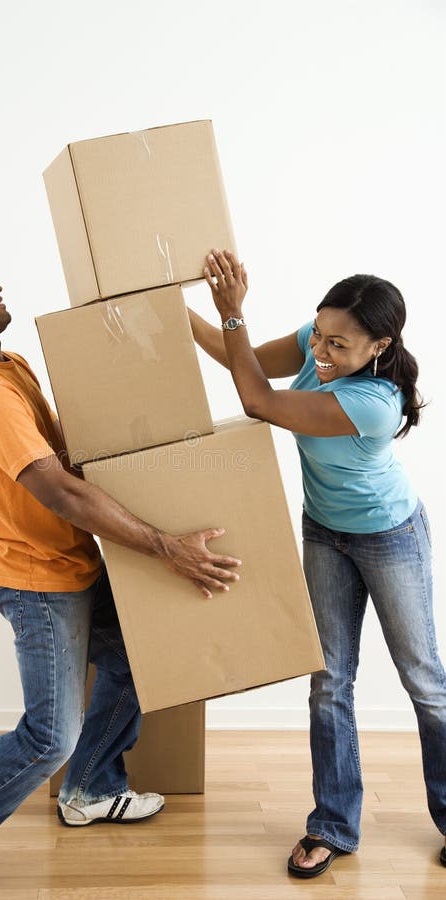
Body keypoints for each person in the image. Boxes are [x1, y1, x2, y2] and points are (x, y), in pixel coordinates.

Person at [0, 252, 242, 900]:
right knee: (49, 737)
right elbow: (60, 491)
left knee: (137, 660)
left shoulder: (7, 365)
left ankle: (90, 788)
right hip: (36, 583)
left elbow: (62, 454)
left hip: (71, 562)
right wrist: (164, 546)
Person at [189, 248, 446, 879]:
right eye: (320, 335)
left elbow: (257, 401)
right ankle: (333, 825)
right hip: (325, 532)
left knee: (424, 680)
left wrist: (232, 312)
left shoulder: (375, 403)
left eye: (340, 345)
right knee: (329, 680)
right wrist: (178, 309)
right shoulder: (318, 339)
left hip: (389, 537)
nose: (321, 353)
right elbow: (240, 359)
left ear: (379, 345)